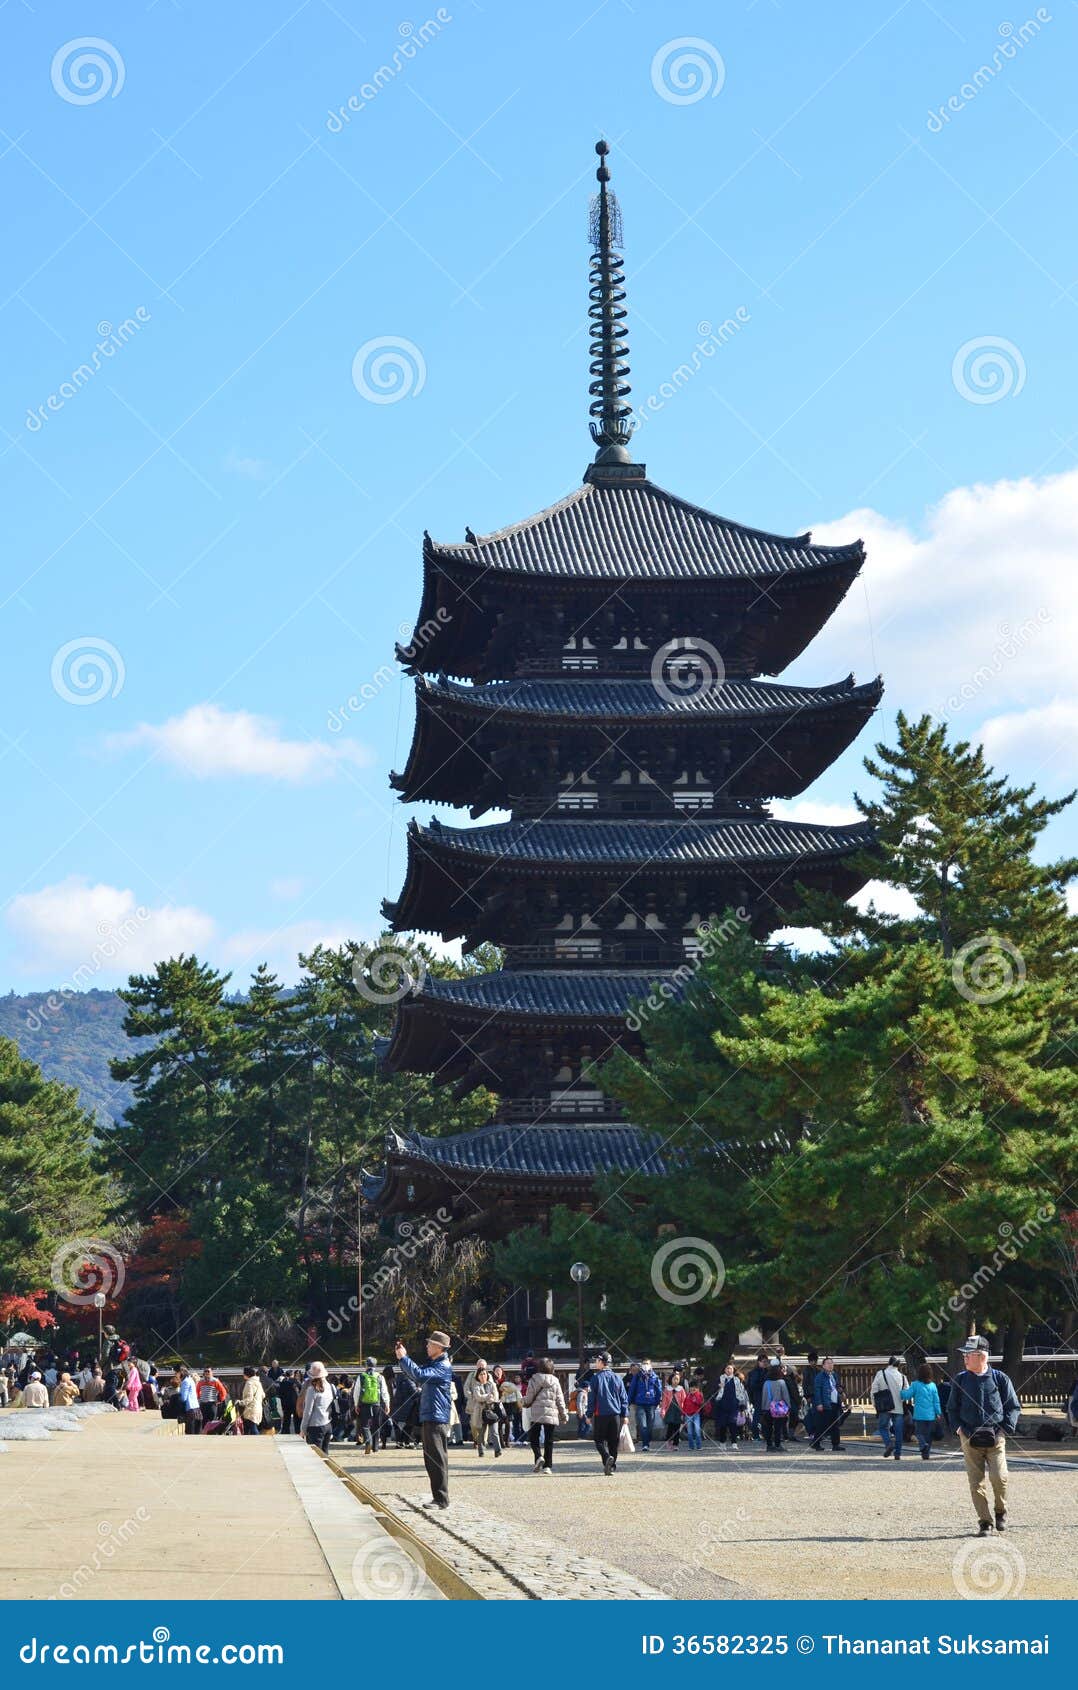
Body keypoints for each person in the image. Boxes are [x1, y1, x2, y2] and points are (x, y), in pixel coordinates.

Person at [945, 1336, 1021, 1534]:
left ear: (981, 1356)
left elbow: (1013, 1406)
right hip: (969, 1437)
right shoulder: (960, 1379)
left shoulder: (1000, 1378)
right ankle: (984, 1522)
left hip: (996, 1437)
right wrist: (959, 1429)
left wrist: (1004, 1429)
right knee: (975, 1482)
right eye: (964, 1355)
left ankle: (1000, 1511)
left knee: (1000, 1477)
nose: (965, 1359)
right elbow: (951, 1408)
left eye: (968, 1355)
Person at [395, 1332, 454, 1510]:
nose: (427, 1346)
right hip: (431, 1415)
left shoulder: (442, 1366)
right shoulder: (436, 1364)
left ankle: (442, 1500)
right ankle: (438, 1497)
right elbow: (418, 1373)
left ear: (438, 1347)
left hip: (436, 1417)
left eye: (430, 1344)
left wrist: (404, 1358)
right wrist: (403, 1359)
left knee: (437, 1459)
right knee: (431, 1459)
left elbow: (419, 1375)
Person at [522, 1356, 567, 1473]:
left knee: (534, 1438)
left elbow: (529, 1397)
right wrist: (564, 1415)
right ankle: (547, 1466)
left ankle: (538, 1457)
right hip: (551, 1413)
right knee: (549, 1440)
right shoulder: (555, 1381)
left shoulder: (533, 1379)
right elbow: (560, 1400)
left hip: (536, 1413)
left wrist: (523, 1402)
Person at [587, 1352, 628, 1476]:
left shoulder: (595, 1378)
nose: (595, 1363)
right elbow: (624, 1397)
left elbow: (591, 1399)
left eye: (597, 1361)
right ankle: (612, 1466)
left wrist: (589, 1414)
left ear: (601, 1362)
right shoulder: (617, 1378)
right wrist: (625, 1414)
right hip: (615, 1414)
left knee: (598, 1440)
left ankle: (606, 1458)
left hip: (601, 1414)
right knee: (613, 1442)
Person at [901, 1362, 942, 1460]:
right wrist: (938, 1413)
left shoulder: (915, 1385)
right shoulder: (932, 1385)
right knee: (929, 1435)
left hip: (919, 1414)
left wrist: (900, 1391)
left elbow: (907, 1395)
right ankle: (926, 1455)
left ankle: (923, 1445)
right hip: (931, 1415)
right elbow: (936, 1401)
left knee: (919, 1433)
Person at [871, 1355, 909, 1460]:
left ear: (889, 1363)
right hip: (899, 1408)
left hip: (884, 1407)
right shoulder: (902, 1376)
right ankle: (898, 1453)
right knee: (898, 1431)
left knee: (883, 1427)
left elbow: (874, 1390)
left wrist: (875, 1404)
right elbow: (906, 1392)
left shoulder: (881, 1373)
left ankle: (888, 1444)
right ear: (898, 1365)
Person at [353, 1356, 391, 1453]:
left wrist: (356, 1404)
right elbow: (384, 1391)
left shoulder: (361, 1376)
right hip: (376, 1404)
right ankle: (375, 1447)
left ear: (366, 1365)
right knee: (376, 1425)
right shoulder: (380, 1376)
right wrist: (387, 1404)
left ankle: (368, 1442)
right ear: (375, 1365)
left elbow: (356, 1392)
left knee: (365, 1425)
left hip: (364, 1404)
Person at [626, 1358, 663, 1452]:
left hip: (651, 1404)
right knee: (643, 1425)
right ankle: (645, 1444)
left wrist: (657, 1402)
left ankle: (647, 1441)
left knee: (650, 1426)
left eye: (647, 1363)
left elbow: (659, 1390)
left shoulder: (655, 1377)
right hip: (640, 1403)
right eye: (644, 1363)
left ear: (651, 1365)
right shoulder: (637, 1376)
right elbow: (632, 1390)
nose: (645, 1365)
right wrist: (628, 1402)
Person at [468, 1364, 503, 1458]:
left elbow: (495, 1397)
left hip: (492, 1411)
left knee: (494, 1432)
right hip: (480, 1412)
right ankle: (481, 1451)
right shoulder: (476, 1386)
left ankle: (498, 1450)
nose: (483, 1376)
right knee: (481, 1433)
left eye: (484, 1374)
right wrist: (488, 1396)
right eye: (481, 1374)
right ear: (477, 1376)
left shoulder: (492, 1384)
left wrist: (487, 1398)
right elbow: (478, 1397)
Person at [299, 1362, 335, 1453]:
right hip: (327, 1423)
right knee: (325, 1454)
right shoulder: (330, 1387)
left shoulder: (312, 1389)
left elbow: (308, 1411)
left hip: (315, 1426)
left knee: (315, 1455)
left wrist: (303, 1429)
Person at [811, 1357, 846, 1450]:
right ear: (823, 1366)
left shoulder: (834, 1375)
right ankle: (815, 1443)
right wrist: (819, 1403)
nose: (830, 1365)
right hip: (825, 1403)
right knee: (822, 1425)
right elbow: (817, 1390)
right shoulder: (820, 1376)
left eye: (831, 1363)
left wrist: (841, 1391)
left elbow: (836, 1387)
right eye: (828, 1363)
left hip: (835, 1402)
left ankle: (836, 1444)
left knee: (835, 1424)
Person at [710, 1362, 748, 1447]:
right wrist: (718, 1387)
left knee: (733, 1424)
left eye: (730, 1368)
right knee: (722, 1425)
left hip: (733, 1405)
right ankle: (722, 1442)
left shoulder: (736, 1380)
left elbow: (741, 1393)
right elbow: (713, 1393)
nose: (729, 1370)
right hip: (722, 1406)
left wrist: (742, 1407)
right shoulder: (720, 1379)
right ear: (724, 1370)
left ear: (733, 1370)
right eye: (727, 1368)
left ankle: (734, 1442)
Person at [761, 1363, 791, 1450]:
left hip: (767, 1408)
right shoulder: (781, 1382)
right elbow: (785, 1395)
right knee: (778, 1427)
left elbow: (764, 1396)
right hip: (779, 1409)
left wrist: (763, 1408)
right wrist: (788, 1406)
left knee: (768, 1427)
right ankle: (778, 1445)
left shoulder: (766, 1383)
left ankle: (769, 1445)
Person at [745, 1350, 770, 1441]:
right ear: (759, 1362)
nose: (765, 1363)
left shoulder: (767, 1371)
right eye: (763, 1362)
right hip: (758, 1396)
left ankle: (766, 1434)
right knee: (757, 1416)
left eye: (766, 1362)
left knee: (766, 1416)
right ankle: (755, 1435)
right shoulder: (755, 1372)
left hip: (766, 1396)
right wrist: (764, 1384)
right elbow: (752, 1385)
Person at [660, 1369, 687, 1449]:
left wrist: (684, 1412)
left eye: (677, 1379)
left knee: (677, 1428)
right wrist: (663, 1411)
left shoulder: (681, 1389)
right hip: (669, 1410)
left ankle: (676, 1444)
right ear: (670, 1379)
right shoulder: (667, 1389)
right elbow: (664, 1401)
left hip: (678, 1411)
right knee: (670, 1427)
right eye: (674, 1379)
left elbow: (684, 1400)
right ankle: (668, 1441)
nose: (676, 1381)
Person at [499, 1371, 524, 1444]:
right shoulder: (503, 1392)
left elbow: (519, 1398)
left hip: (515, 1407)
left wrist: (521, 1406)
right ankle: (514, 1439)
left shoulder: (515, 1389)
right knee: (512, 1424)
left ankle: (521, 1439)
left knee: (518, 1424)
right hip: (507, 1408)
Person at [239, 1366, 265, 1435]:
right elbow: (263, 1395)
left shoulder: (249, 1383)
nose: (243, 1375)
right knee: (250, 1427)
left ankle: (257, 1442)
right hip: (258, 1408)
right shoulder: (258, 1382)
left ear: (247, 1374)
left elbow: (249, 1398)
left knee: (252, 1427)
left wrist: (240, 1402)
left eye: (243, 1373)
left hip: (251, 1409)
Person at [681, 1378, 705, 1450]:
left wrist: (695, 1399)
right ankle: (691, 1446)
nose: (693, 1389)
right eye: (691, 1387)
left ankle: (699, 1446)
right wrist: (683, 1414)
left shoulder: (699, 1395)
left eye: (695, 1387)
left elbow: (700, 1403)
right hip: (688, 1415)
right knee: (689, 1431)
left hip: (696, 1414)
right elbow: (684, 1406)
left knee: (697, 1430)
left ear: (698, 1388)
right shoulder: (687, 1396)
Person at [177, 1366, 201, 1434]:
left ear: (181, 1373)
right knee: (196, 1432)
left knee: (190, 1432)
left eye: (176, 1373)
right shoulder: (190, 1379)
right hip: (196, 1408)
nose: (176, 1375)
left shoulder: (185, 1382)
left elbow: (183, 1398)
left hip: (190, 1409)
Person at [278, 1369, 301, 1434]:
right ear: (292, 1375)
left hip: (286, 1403)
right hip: (295, 1403)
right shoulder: (295, 1381)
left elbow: (280, 1393)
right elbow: (301, 1388)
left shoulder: (283, 1382)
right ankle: (298, 1432)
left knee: (286, 1420)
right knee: (296, 1420)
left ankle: (286, 1432)